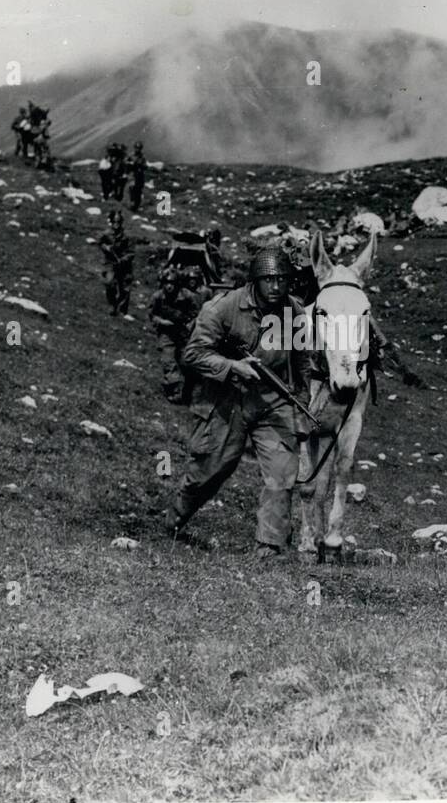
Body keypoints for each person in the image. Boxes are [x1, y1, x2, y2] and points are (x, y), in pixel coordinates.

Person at [164, 247, 313, 559]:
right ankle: (174, 521)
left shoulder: (296, 314)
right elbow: (193, 354)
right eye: (269, 279)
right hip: (225, 401)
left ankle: (269, 547)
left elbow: (301, 366)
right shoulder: (224, 307)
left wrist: (300, 407)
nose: (276, 286)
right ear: (256, 280)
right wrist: (233, 367)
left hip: (273, 403)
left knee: (282, 472)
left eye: (282, 279)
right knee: (210, 470)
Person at [149, 266, 200, 402]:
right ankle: (174, 390)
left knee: (186, 362)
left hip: (183, 333)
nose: (169, 287)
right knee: (168, 360)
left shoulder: (187, 296)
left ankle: (187, 390)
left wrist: (191, 324)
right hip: (166, 333)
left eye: (172, 283)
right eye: (167, 283)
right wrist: (162, 322)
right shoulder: (158, 297)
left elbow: (197, 314)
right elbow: (153, 315)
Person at [99, 209, 134, 316]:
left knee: (124, 289)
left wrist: (123, 259)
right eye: (114, 222)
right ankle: (112, 305)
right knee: (109, 283)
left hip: (124, 266)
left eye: (118, 223)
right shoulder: (106, 234)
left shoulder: (126, 236)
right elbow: (100, 242)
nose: (116, 225)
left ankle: (122, 309)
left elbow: (131, 252)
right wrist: (106, 247)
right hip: (111, 264)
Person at [129, 141, 147, 211]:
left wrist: (141, 166)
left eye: (139, 148)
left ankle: (136, 205)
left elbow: (145, 166)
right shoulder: (131, 155)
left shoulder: (142, 157)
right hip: (133, 175)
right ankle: (132, 203)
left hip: (140, 176)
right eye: (136, 148)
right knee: (132, 188)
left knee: (138, 191)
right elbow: (126, 162)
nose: (137, 149)